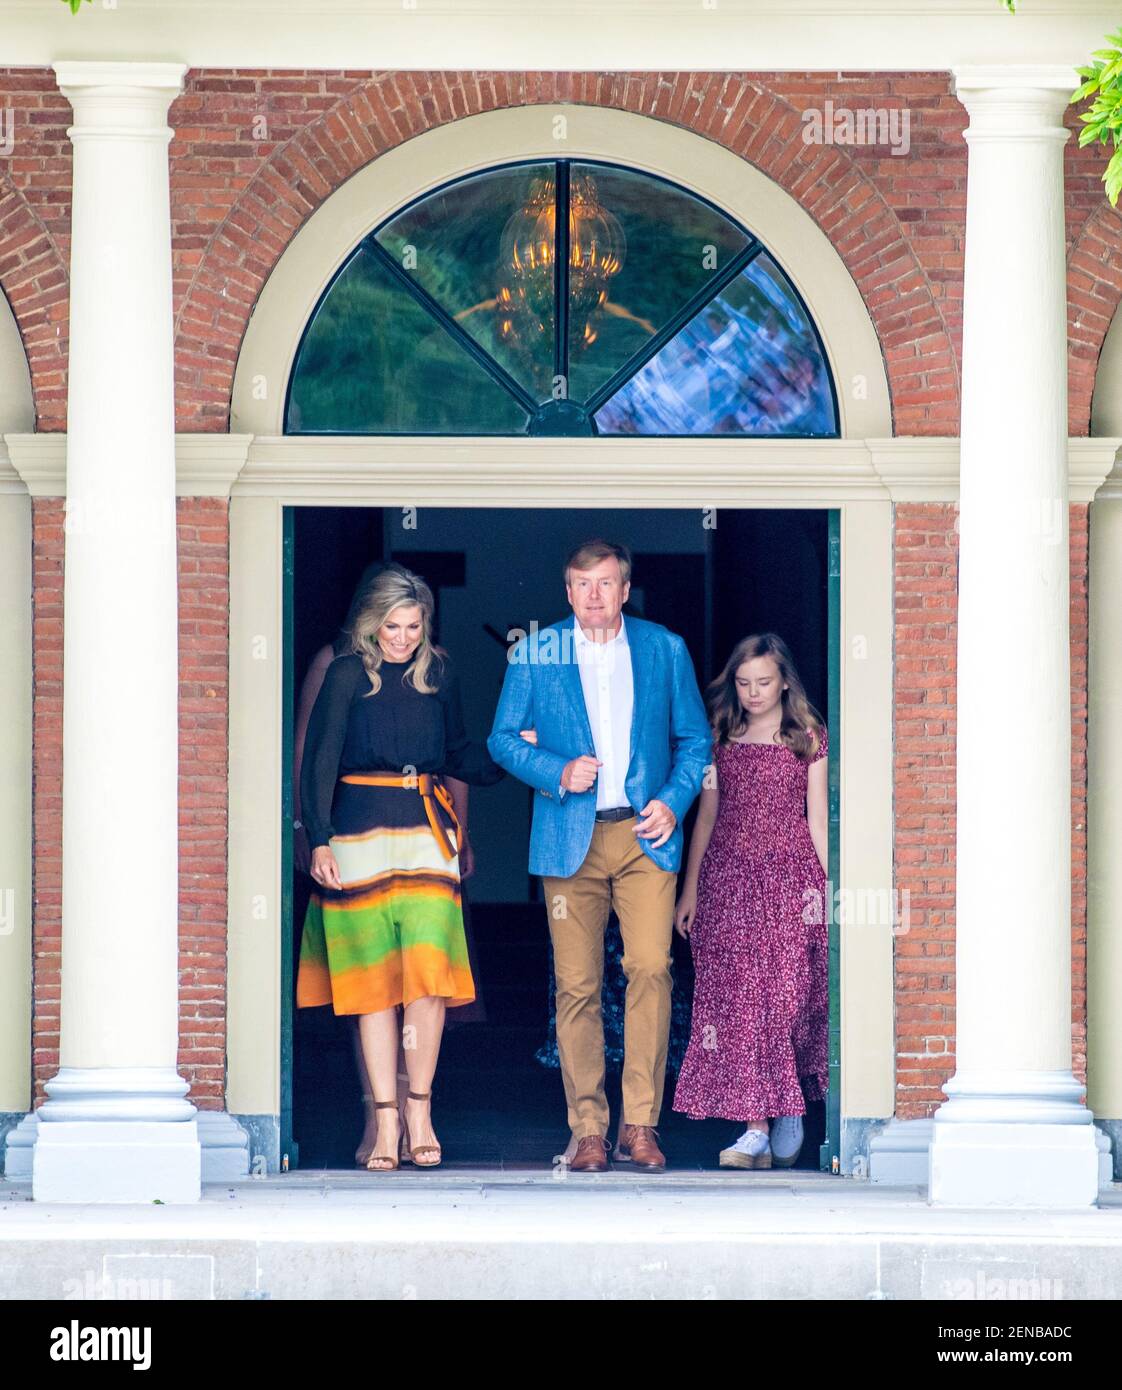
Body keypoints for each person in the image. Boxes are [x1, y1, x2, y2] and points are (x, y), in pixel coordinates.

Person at [488, 539, 710, 1172]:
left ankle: (641, 1125)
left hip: (647, 834)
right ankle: (588, 1128)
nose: (593, 595)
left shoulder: (663, 647)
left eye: (605, 583)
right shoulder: (537, 651)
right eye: (581, 584)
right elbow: (501, 740)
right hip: (569, 838)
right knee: (577, 985)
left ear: (624, 588)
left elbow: (694, 741)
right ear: (567, 592)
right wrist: (558, 770)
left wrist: (673, 799)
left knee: (650, 969)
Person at [297, 564, 503, 1172]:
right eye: (392, 625)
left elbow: (459, 751)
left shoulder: (438, 672)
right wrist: (318, 841)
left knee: (428, 980)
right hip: (356, 833)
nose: (402, 637)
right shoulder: (343, 674)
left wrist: (523, 754)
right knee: (371, 987)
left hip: (424, 834)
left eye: (413, 626)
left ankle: (420, 1111)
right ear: (371, 623)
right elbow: (318, 764)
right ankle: (384, 1121)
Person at [672, 633, 829, 1170]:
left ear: (784, 680)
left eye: (763, 682)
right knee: (739, 1002)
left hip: (791, 876)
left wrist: (829, 889)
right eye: (743, 683)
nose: (753, 693)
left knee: (786, 994)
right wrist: (690, 887)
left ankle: (787, 1101)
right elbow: (707, 815)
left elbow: (817, 819)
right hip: (728, 880)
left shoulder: (808, 737)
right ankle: (755, 1127)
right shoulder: (721, 735)